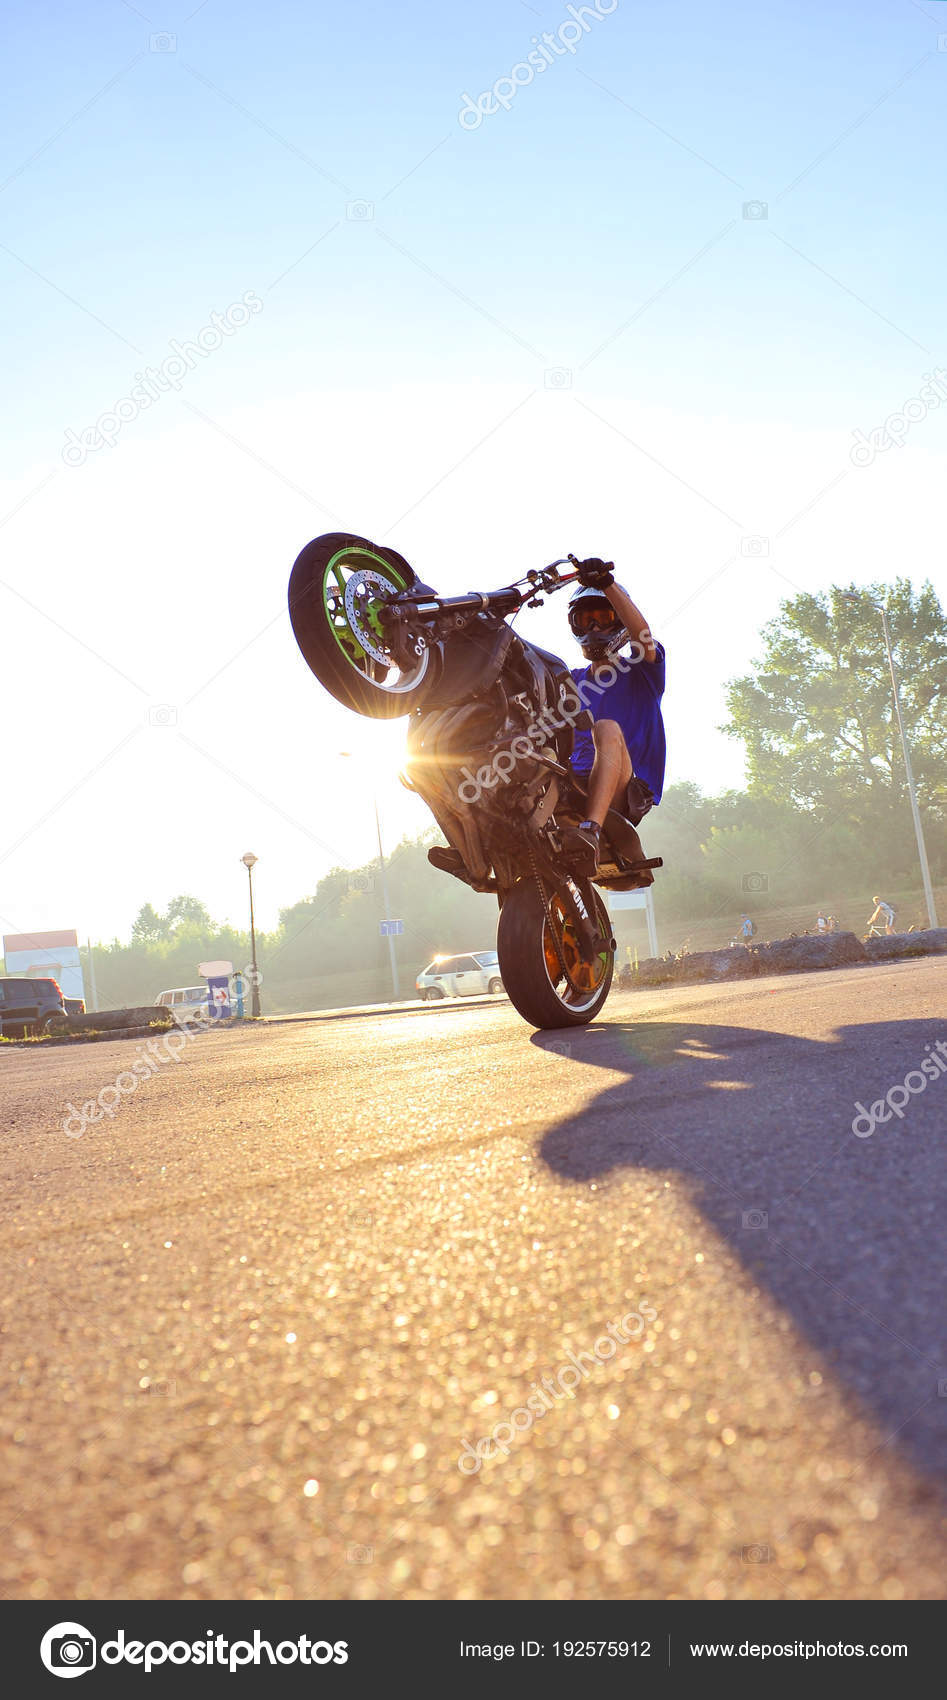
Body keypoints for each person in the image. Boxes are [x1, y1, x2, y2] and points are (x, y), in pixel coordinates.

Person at [558, 556, 666, 873]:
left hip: (625, 790)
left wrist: (608, 585)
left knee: (605, 728)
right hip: (571, 784)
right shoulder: (570, 681)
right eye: (585, 619)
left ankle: (591, 830)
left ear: (618, 621)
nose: (593, 627)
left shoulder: (641, 674)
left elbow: (642, 636)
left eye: (603, 618)